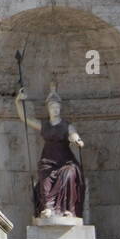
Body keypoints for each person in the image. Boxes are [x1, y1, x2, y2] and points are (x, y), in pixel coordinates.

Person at [16, 82, 87, 218]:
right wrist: (18, 101)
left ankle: (68, 209)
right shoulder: (44, 125)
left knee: (69, 174)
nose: (55, 110)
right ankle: (48, 207)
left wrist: (77, 140)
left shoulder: (66, 125)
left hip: (66, 162)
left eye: (57, 107)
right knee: (45, 178)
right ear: (48, 109)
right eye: (53, 107)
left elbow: (73, 134)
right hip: (48, 161)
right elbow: (25, 118)